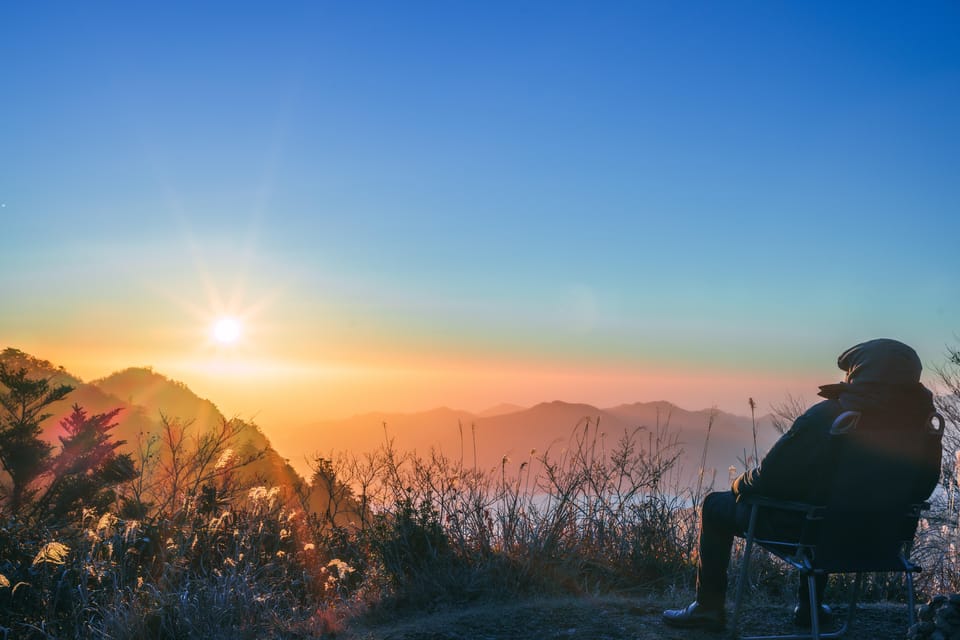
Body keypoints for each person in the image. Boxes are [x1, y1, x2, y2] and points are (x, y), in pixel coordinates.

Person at [662, 338, 942, 631]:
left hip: (810, 533)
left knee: (715, 505)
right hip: (881, 538)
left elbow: (769, 478)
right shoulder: (924, 426)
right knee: (825, 508)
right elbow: (922, 488)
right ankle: (810, 609)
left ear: (859, 372)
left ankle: (707, 609)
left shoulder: (831, 417)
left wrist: (738, 485)